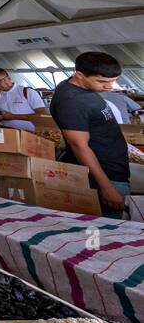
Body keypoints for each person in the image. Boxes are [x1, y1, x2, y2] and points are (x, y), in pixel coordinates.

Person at [50, 51, 130, 218]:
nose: (109, 87)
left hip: (114, 168)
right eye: (102, 81)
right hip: (104, 175)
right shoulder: (71, 101)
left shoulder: (80, 89)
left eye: (113, 81)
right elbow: (79, 145)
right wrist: (106, 187)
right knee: (110, 230)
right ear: (80, 75)